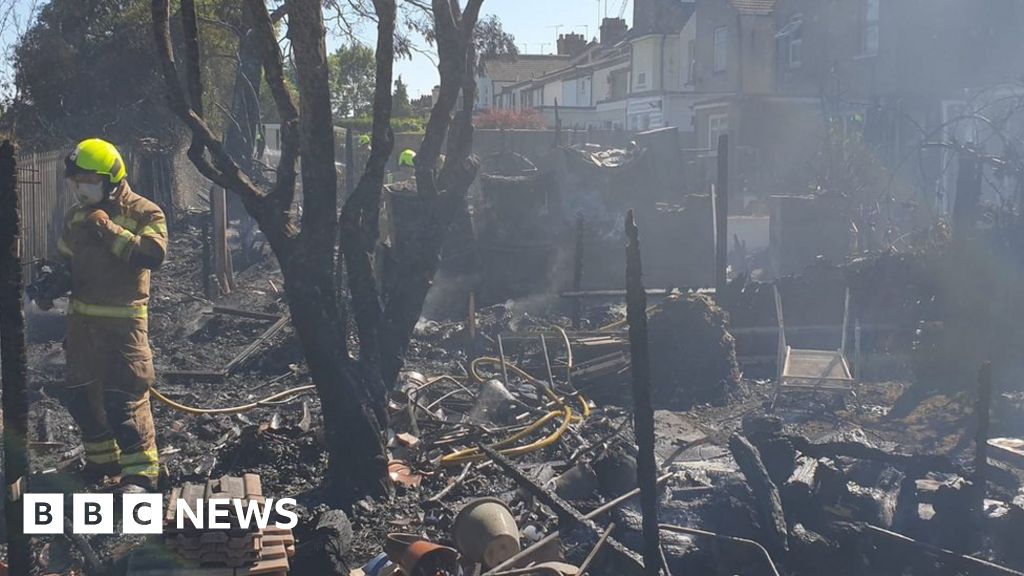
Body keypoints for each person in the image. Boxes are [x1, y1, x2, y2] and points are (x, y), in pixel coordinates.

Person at [33, 138, 167, 492]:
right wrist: (52, 285)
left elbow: (152, 255)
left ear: (112, 177)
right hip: (82, 327)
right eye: (76, 181)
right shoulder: (76, 217)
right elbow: (66, 262)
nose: (81, 188)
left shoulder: (145, 212)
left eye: (88, 180)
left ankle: (141, 475)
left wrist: (108, 228)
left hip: (123, 327)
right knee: (82, 397)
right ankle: (101, 464)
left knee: (123, 399)